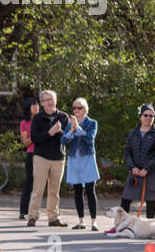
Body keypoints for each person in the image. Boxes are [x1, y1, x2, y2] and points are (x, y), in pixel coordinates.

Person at [27, 90, 69, 227]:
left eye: (52, 99)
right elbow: (34, 138)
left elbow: (67, 138)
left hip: (58, 157)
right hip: (41, 157)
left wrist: (59, 131)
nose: (50, 102)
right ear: (42, 103)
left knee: (54, 191)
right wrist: (50, 133)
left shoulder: (64, 117)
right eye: (47, 100)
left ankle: (53, 218)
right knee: (38, 189)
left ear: (56, 100)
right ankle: (32, 216)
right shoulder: (38, 118)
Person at [120, 103, 155, 221]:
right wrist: (132, 167)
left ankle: (150, 228)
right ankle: (120, 225)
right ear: (141, 116)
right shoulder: (133, 133)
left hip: (152, 172)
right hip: (135, 172)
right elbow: (127, 152)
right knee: (126, 199)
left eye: (151, 116)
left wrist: (147, 168)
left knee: (151, 202)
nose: (148, 118)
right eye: (146, 115)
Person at [61, 98, 100, 230]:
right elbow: (63, 140)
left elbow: (89, 139)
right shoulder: (69, 123)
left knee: (90, 190)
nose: (76, 110)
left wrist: (78, 127)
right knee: (77, 190)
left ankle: (94, 222)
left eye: (79, 108)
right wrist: (71, 130)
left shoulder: (92, 123)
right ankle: (81, 221)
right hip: (74, 159)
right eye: (74, 108)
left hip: (87, 159)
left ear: (85, 109)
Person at [19, 98, 39, 220]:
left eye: (37, 105)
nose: (36, 107)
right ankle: (23, 210)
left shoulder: (43, 119)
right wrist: (35, 136)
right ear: (28, 108)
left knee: (44, 184)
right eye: (33, 105)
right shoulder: (24, 123)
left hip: (44, 154)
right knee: (29, 183)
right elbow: (25, 142)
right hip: (31, 154)